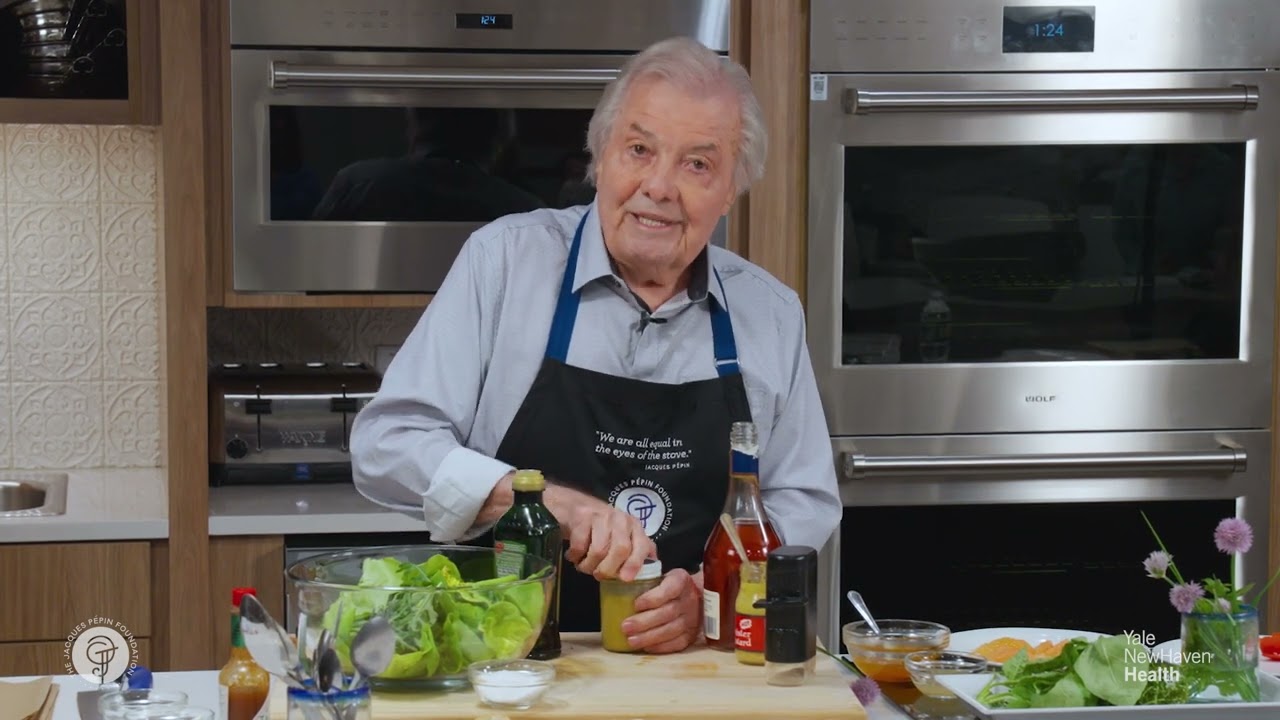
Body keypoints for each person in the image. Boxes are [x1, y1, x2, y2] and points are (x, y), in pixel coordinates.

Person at [350, 36, 841, 654]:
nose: (658, 187)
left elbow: (805, 497)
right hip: (506, 666)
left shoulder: (768, 313)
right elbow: (385, 446)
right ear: (600, 158)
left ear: (730, 192)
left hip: (692, 671)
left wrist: (712, 590)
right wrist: (536, 499)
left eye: (697, 164)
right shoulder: (504, 263)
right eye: (639, 149)